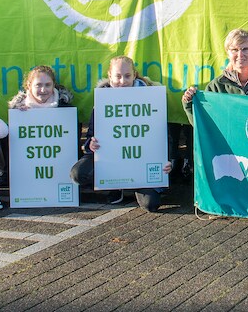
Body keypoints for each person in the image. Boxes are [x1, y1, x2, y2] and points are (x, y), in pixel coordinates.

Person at [70, 56, 172, 211]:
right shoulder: (102, 100)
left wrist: (167, 160)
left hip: (140, 160)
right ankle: (113, 187)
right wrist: (91, 144)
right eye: (117, 76)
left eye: (127, 76)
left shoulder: (151, 98)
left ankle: (131, 184)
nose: (122, 81)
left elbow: (164, 136)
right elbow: (91, 134)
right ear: (110, 76)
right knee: (78, 174)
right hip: (110, 159)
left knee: (151, 205)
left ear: (134, 75)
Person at [182, 29, 248, 123]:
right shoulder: (216, 87)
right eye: (234, 50)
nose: (240, 55)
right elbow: (204, 125)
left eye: (245, 49)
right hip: (229, 143)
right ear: (228, 53)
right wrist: (189, 103)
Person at [10, 65, 76, 110]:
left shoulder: (65, 108)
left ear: (53, 86)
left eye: (47, 85)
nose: (43, 90)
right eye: (38, 85)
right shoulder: (18, 109)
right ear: (29, 86)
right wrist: (19, 114)